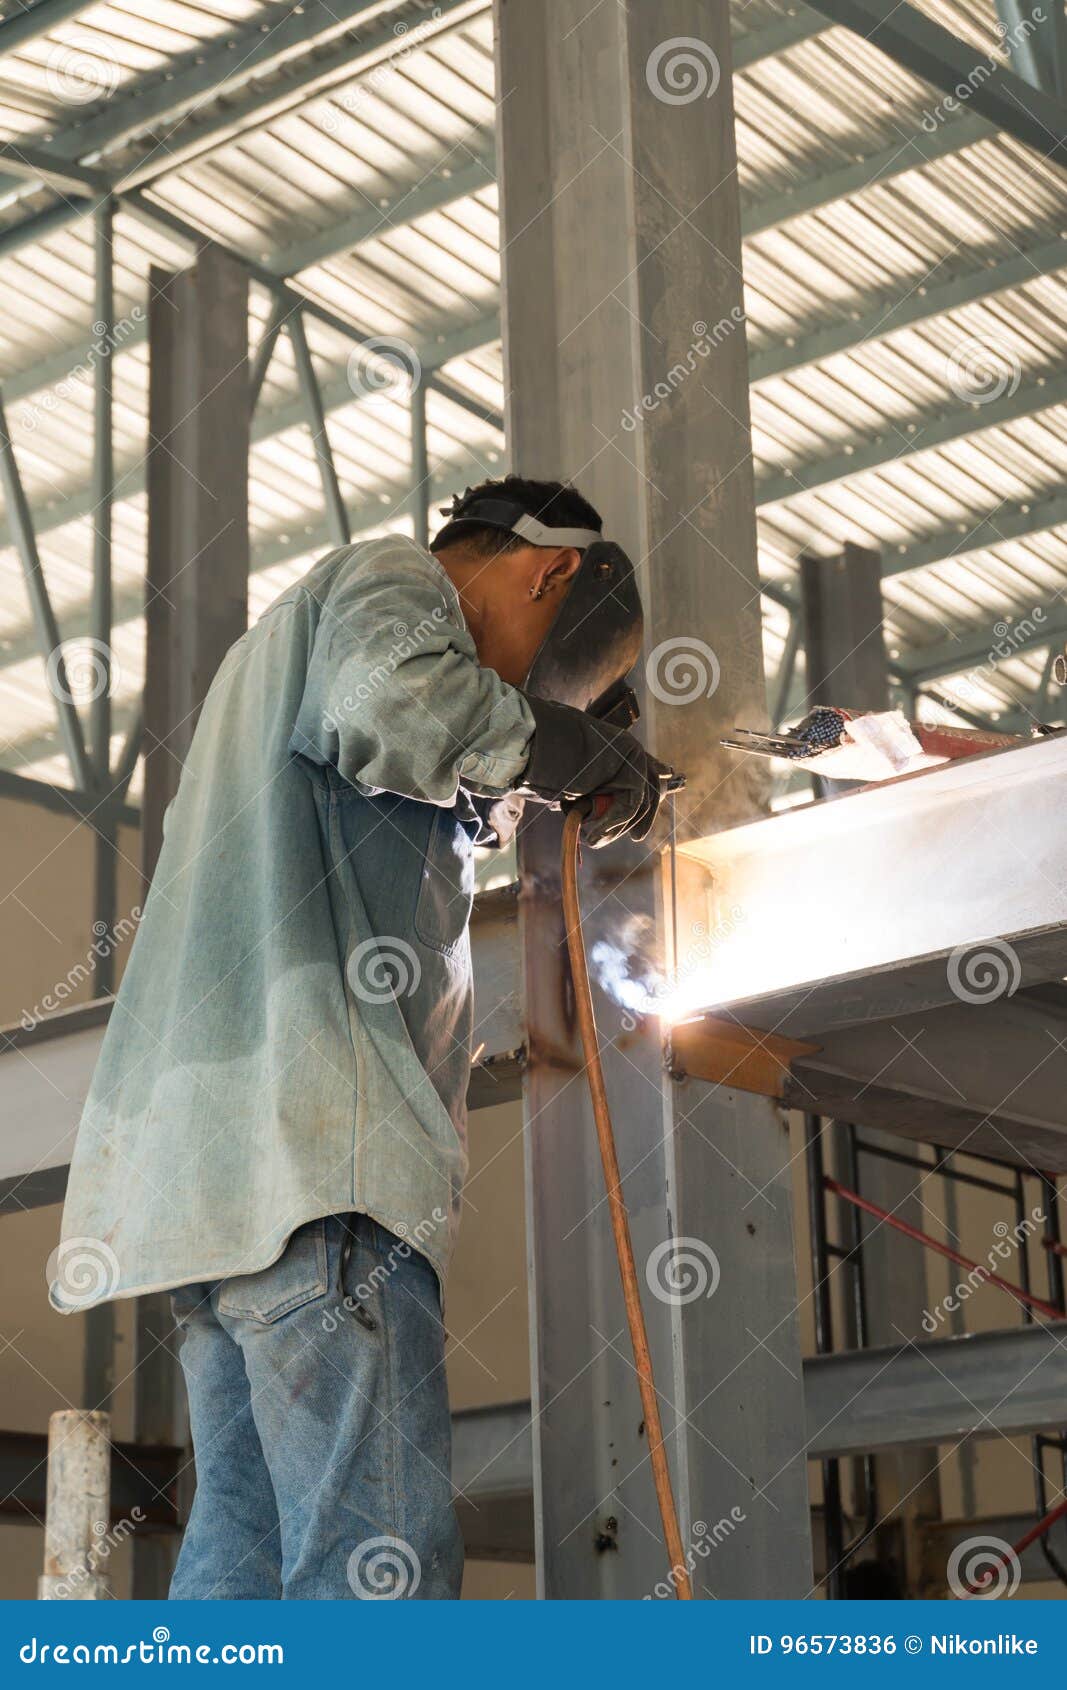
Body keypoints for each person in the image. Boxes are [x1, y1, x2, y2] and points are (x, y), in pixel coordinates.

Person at [52, 475, 667, 1600]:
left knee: (238, 1568)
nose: (511, 689)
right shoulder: (389, 580)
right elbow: (395, 701)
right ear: (547, 569)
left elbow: (406, 755)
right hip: (317, 1169)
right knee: (372, 1572)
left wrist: (548, 758)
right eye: (529, 665)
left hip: (213, 1198)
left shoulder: (274, 659)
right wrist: (553, 745)